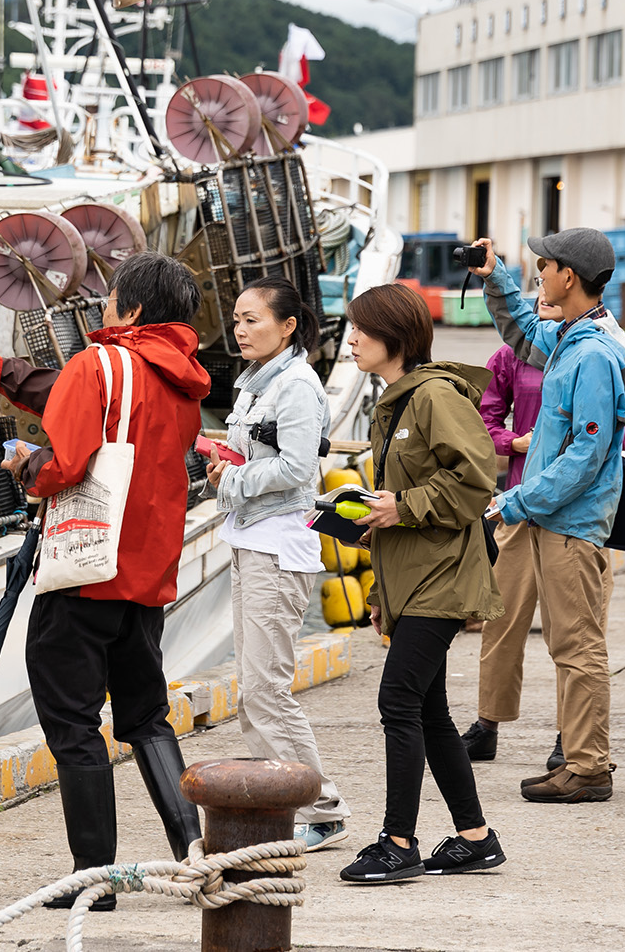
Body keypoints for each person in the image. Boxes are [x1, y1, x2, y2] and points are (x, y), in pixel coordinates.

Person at [0, 253, 211, 910]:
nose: (101, 311)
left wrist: (25, 463)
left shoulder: (98, 363)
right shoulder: (184, 379)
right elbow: (101, 404)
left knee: (75, 725)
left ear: (132, 310)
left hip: (83, 576)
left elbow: (68, 462)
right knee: (145, 717)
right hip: (146, 581)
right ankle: (191, 850)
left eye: (109, 301)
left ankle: (93, 875)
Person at [470, 228, 625, 804]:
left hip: (570, 523)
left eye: (544, 267)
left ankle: (589, 766)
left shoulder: (595, 353)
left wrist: (518, 500)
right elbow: (523, 331)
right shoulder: (575, 337)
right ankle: (577, 758)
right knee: (563, 643)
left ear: (568, 276)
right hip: (552, 514)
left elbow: (588, 451)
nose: (540, 276)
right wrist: (496, 277)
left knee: (576, 645)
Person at [335, 282, 506, 883]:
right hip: (410, 580)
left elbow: (479, 477)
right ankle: (475, 838)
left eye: (362, 328)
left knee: (398, 701)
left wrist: (402, 506)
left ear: (396, 337)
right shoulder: (395, 403)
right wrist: (382, 594)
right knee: (429, 709)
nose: (351, 339)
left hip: (443, 577)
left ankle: (397, 841)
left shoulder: (433, 396)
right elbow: (395, 505)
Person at [205, 277, 351, 853]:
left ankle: (321, 806)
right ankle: (281, 803)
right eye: (237, 319)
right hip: (250, 540)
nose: (241, 330)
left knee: (266, 689)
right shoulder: (253, 385)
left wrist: (232, 479)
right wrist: (224, 459)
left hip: (278, 545)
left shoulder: (295, 385)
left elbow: (296, 470)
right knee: (255, 689)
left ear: (288, 326)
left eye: (253, 320)